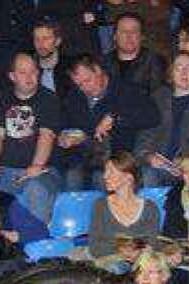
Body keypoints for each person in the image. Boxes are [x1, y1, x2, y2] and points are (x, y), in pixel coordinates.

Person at [57, 54, 161, 190]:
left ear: (98, 70)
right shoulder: (74, 97)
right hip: (85, 159)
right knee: (71, 176)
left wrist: (115, 118)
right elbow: (67, 126)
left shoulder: (126, 90)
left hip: (117, 159)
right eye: (79, 84)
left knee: (102, 177)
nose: (85, 88)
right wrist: (65, 137)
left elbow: (152, 116)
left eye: (87, 80)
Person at [0, 52, 63, 227]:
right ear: (12, 76)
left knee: (36, 189)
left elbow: (47, 135)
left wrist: (35, 166)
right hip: (6, 171)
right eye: (23, 72)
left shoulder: (49, 99)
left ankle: (33, 241)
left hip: (43, 170)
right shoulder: (1, 99)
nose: (30, 77)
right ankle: (1, 244)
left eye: (33, 72)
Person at [136, 51, 189, 188]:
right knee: (148, 173)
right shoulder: (157, 100)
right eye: (178, 68)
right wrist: (149, 157)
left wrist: (185, 161)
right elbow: (143, 139)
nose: (184, 72)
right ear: (171, 73)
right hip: (160, 168)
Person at [87, 152, 162, 269]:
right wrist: (122, 251)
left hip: (141, 263)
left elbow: (153, 243)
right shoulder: (100, 205)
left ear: (128, 178)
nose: (105, 176)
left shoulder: (150, 208)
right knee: (117, 268)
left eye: (111, 171)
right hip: (110, 264)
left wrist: (137, 253)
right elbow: (94, 246)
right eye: (105, 171)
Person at [102, 12, 166, 96]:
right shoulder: (104, 62)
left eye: (134, 31)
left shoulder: (154, 61)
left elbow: (158, 95)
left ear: (142, 36)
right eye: (124, 31)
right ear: (114, 36)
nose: (129, 35)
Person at [36, 0, 103, 60]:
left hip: (90, 44)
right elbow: (45, 22)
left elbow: (105, 13)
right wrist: (79, 19)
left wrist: (97, 16)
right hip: (66, 46)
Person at [31, 17, 74, 96]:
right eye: (36, 39)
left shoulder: (70, 68)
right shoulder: (29, 67)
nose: (40, 44)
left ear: (58, 41)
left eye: (46, 38)